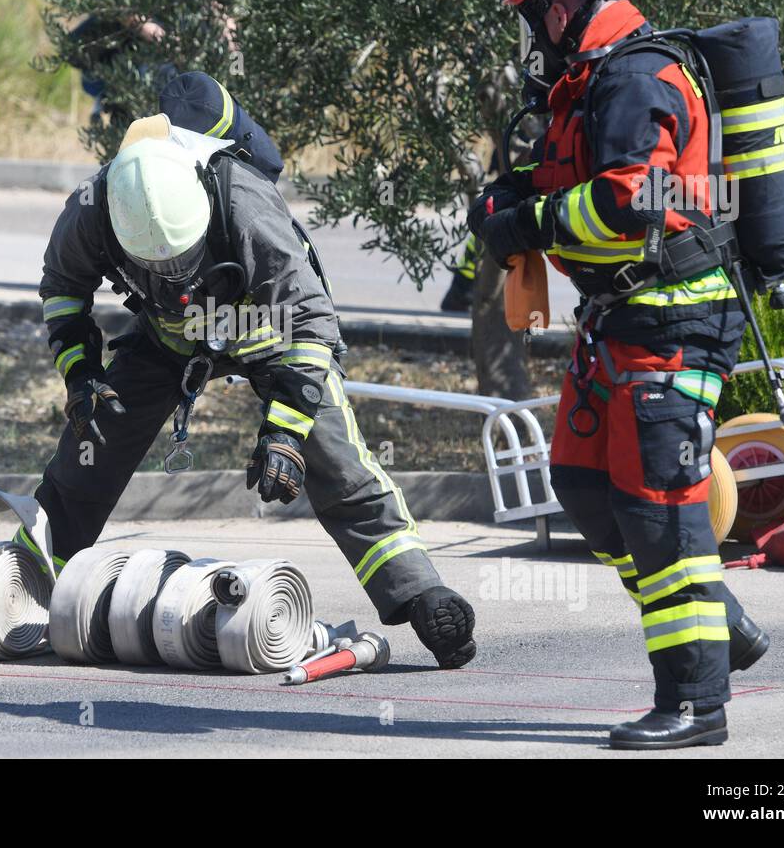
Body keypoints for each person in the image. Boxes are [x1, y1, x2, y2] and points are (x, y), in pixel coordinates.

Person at [27, 76, 477, 667]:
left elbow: (314, 325)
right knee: (91, 446)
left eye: (182, 259)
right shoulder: (94, 205)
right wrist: (81, 376)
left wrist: (285, 434)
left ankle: (421, 595)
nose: (176, 275)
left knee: (338, 462)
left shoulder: (241, 198)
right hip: (166, 338)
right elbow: (63, 291)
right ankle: (29, 591)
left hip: (268, 330)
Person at [471, 0, 769, 749]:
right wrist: (511, 197)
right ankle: (722, 625)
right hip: (619, 324)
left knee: (660, 514)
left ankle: (695, 704)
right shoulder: (591, 81)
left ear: (561, 4)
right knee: (582, 485)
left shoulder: (637, 78)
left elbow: (632, 204)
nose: (534, 33)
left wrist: (529, 221)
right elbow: (576, 174)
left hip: (675, 322)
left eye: (534, 13)